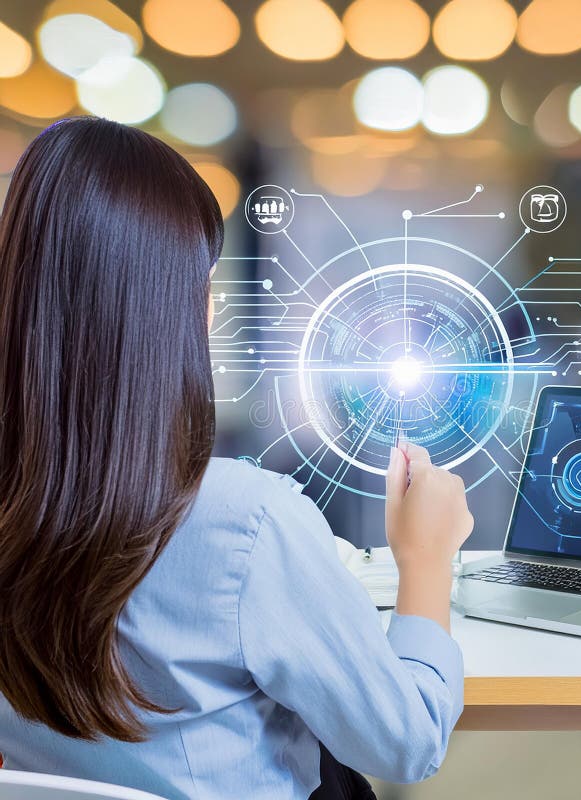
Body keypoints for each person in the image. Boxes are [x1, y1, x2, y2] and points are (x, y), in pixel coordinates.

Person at [0, 117, 473, 799]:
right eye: (202, 282)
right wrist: (424, 557)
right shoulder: (246, 523)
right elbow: (407, 742)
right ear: (168, 312)